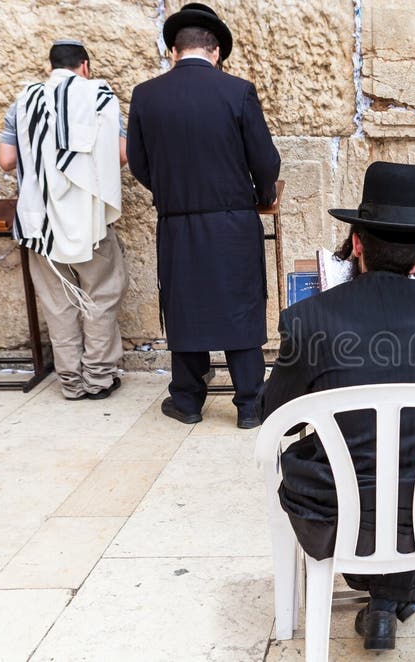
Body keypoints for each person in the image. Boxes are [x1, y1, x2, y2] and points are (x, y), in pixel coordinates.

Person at [260, 162, 415, 651]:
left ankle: (383, 601)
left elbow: (274, 412)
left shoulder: (310, 319)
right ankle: (397, 596)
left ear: (356, 245)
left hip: (339, 512)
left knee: (342, 455)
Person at [127, 3, 280, 429]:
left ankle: (188, 401)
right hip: (232, 220)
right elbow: (265, 161)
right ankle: (250, 404)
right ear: (215, 51)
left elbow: (138, 162)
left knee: (185, 304)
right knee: (241, 305)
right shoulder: (238, 91)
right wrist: (260, 195)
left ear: (175, 50)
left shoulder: (146, 94)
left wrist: (172, 194)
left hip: (177, 221)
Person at [0, 39, 128, 401]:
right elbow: (120, 155)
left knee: (58, 303)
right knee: (101, 295)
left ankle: (70, 382)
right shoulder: (100, 98)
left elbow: (6, 160)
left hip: (41, 223)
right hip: (90, 220)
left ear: (50, 66)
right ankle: (99, 378)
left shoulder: (23, 102)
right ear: (84, 66)